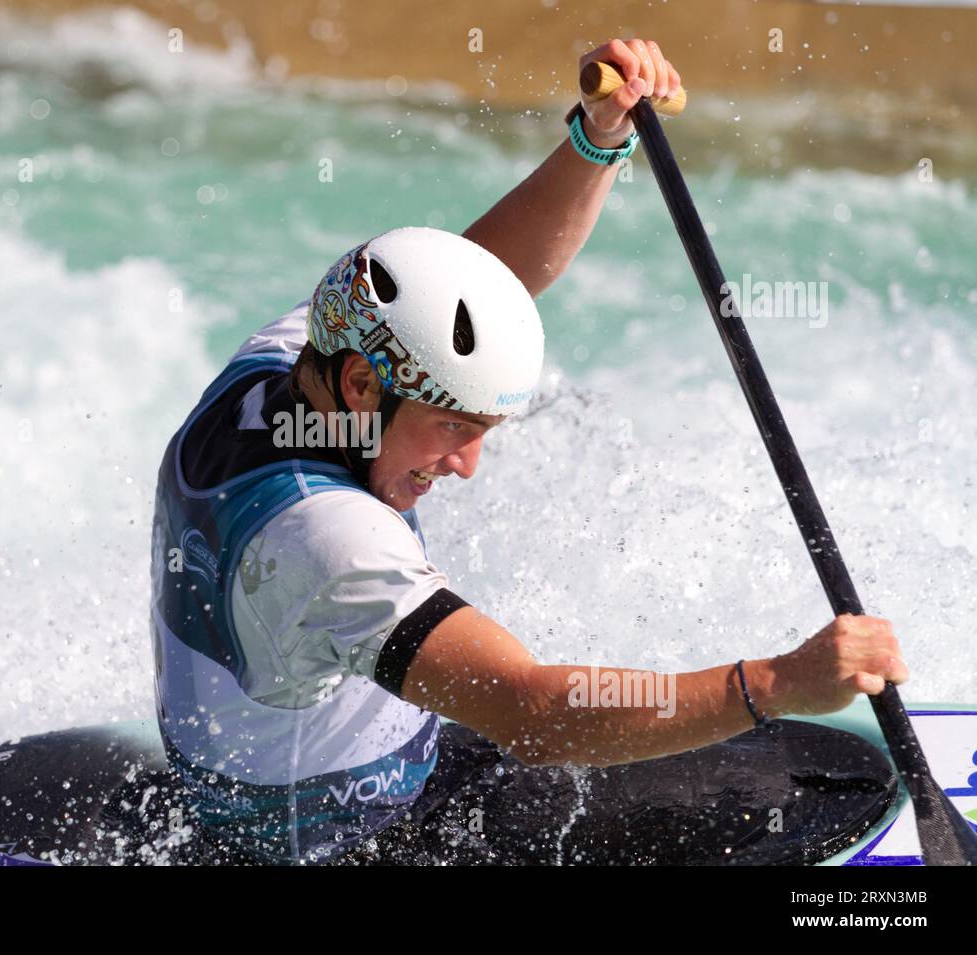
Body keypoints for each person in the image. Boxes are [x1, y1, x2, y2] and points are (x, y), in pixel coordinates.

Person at [147, 38, 908, 865]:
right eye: (453, 427)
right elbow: (536, 715)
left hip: (322, 776)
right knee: (778, 787)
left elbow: (482, 277)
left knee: (784, 777)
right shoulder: (327, 542)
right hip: (347, 844)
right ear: (364, 386)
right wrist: (779, 682)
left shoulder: (289, 359)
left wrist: (598, 139)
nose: (467, 464)